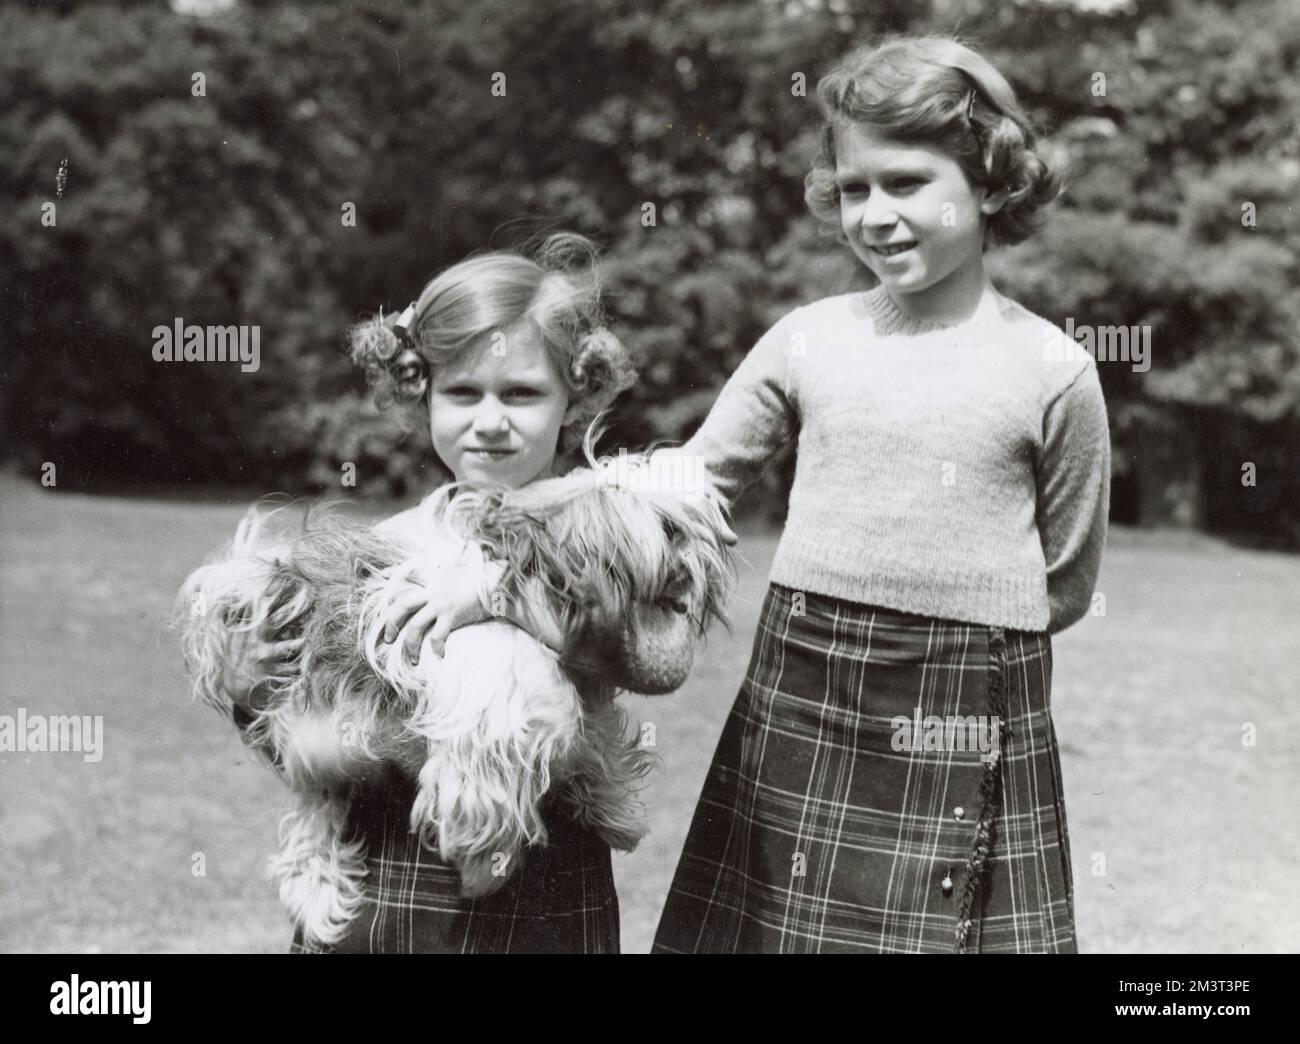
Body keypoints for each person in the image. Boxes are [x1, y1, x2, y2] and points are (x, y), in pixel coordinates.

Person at [643, 35, 1111, 953]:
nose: (876, 214)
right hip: (803, 682)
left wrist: (962, 631)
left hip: (968, 695)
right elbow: (685, 486)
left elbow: (1065, 576)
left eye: (905, 183)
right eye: (855, 189)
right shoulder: (808, 338)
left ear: (990, 183)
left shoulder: (1054, 369)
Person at [218, 233, 638, 952]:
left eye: (523, 393)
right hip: (387, 883)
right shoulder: (385, 551)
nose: (491, 420)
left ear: (576, 396)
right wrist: (251, 686)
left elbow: (641, 652)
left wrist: (502, 600)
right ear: (422, 395)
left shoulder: (596, 534)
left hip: (544, 884)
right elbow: (306, 736)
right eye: (463, 392)